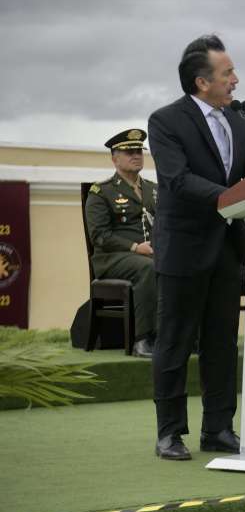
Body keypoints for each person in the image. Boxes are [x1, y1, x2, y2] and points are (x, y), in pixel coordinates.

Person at [147, 35, 245, 461]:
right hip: (184, 247)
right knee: (176, 340)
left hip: (227, 248)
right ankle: (170, 433)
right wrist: (233, 198)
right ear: (202, 82)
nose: (236, 79)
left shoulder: (237, 119)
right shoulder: (165, 121)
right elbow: (177, 180)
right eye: (227, 72)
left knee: (220, 341)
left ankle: (218, 428)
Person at [84, 129, 159, 358]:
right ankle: (143, 340)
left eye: (139, 151)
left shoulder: (153, 189)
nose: (136, 155)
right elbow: (99, 236)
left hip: (151, 253)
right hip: (112, 258)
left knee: (186, 264)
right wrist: (136, 248)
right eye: (129, 152)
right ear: (114, 158)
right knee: (148, 267)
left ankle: (186, 336)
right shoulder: (101, 191)